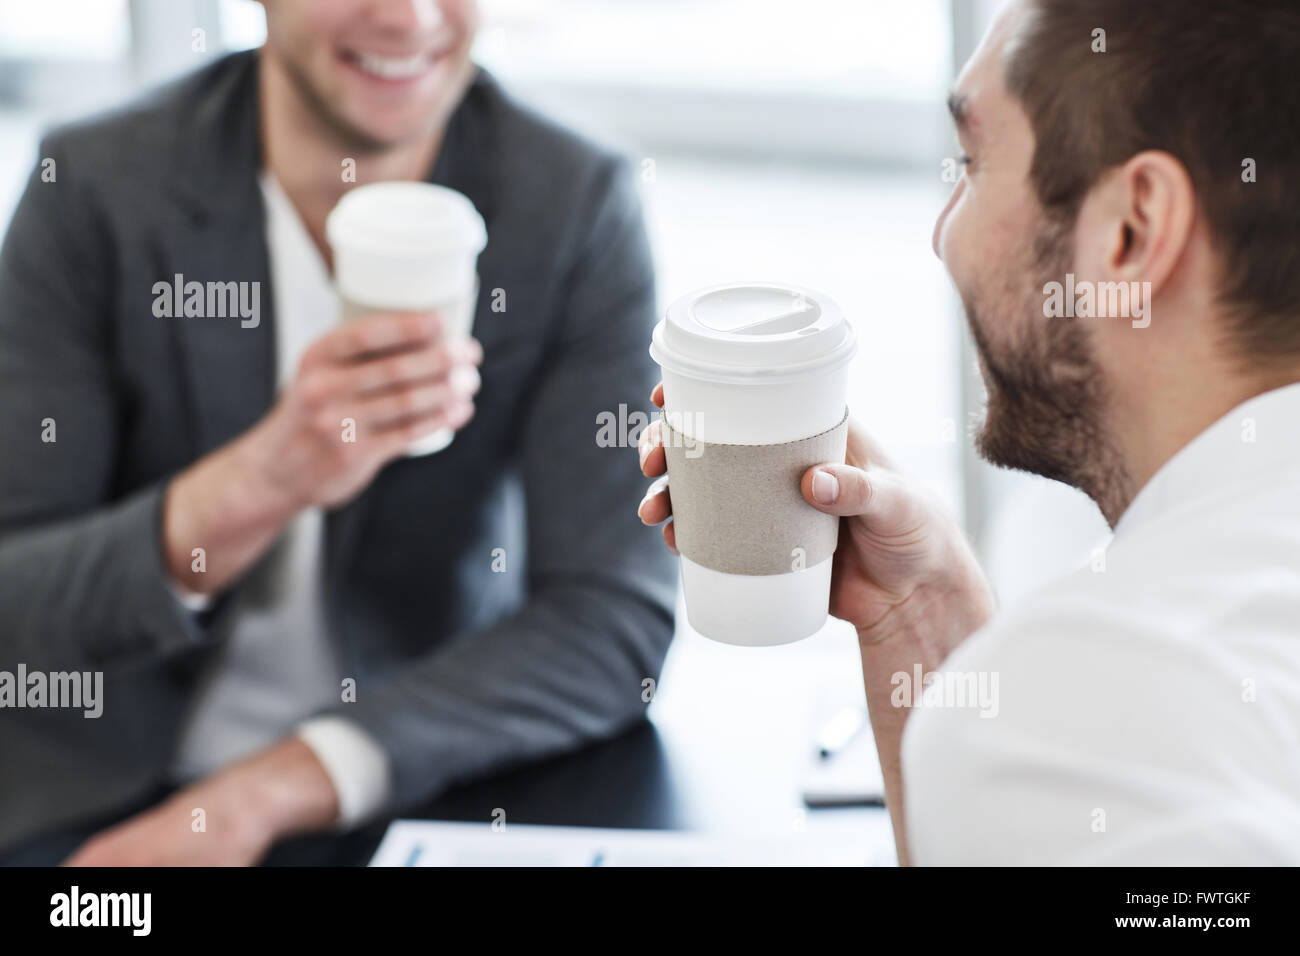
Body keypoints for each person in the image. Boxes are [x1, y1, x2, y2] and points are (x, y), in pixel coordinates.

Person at [0, 0, 675, 865]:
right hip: (103, 802)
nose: (407, 18)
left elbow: (611, 616)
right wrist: (257, 483)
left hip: (421, 781)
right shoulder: (94, 186)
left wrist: (259, 797)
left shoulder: (572, 203)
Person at [642, 0, 1300, 865]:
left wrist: (995, 726)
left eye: (973, 162)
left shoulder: (1086, 729)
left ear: (1131, 230)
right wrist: (930, 621)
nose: (940, 234)